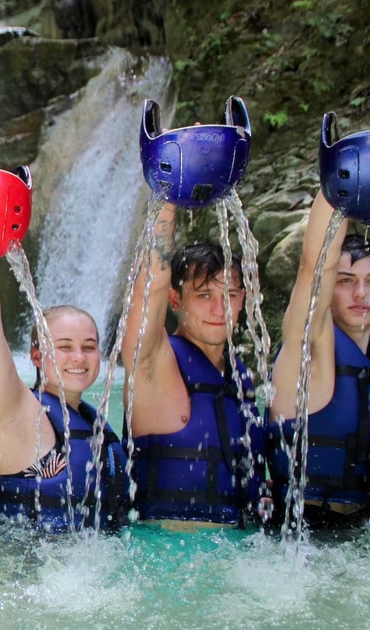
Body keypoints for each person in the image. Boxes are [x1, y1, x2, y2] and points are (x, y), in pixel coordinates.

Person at [120, 202, 270, 529]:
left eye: (229, 295)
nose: (219, 309)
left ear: (243, 299)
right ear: (176, 300)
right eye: (204, 296)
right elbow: (150, 288)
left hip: (239, 548)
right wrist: (168, 198)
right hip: (165, 551)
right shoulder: (154, 364)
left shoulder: (240, 378)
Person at [268, 192, 370, 529]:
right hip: (302, 534)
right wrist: (336, 186)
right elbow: (314, 266)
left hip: (366, 535)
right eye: (346, 281)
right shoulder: (307, 351)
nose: (361, 293)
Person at [0, 258, 127, 532]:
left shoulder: (94, 423)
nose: (79, 357)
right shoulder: (20, 417)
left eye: (89, 347)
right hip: (30, 560)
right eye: (65, 346)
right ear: (37, 356)